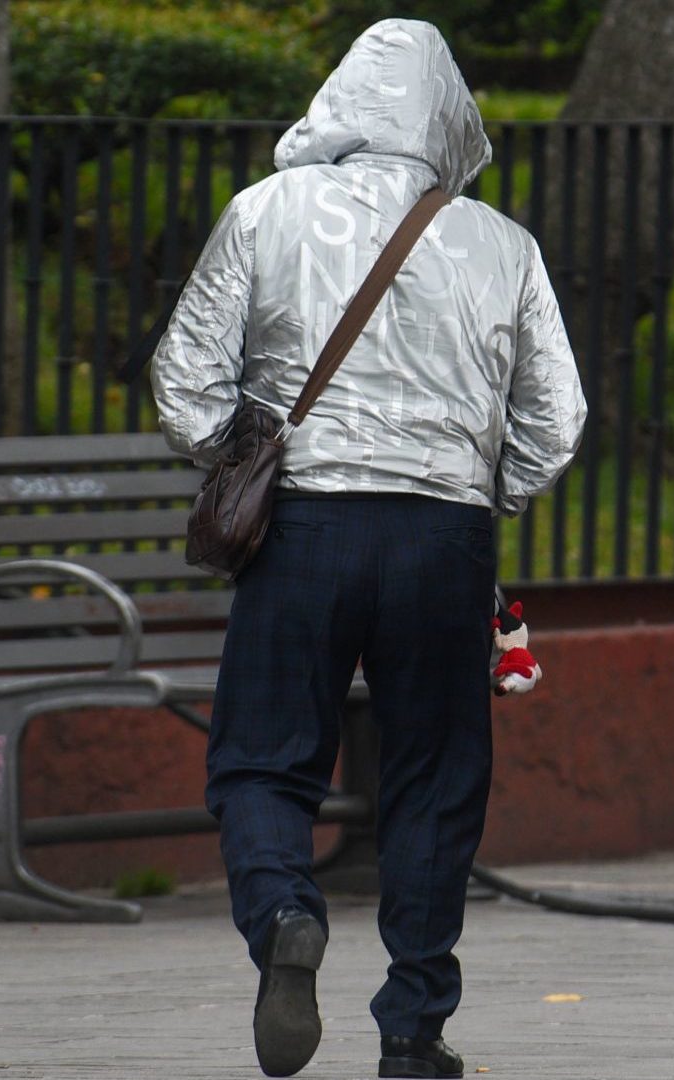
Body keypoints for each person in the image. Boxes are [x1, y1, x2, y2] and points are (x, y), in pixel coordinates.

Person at [151, 20, 584, 1080]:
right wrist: (487, 495)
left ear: (338, 103)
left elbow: (183, 386)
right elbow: (556, 419)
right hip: (445, 540)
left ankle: (286, 917)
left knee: (261, 755)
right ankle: (414, 1028)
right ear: (449, 122)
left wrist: (243, 461)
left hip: (303, 525)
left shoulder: (263, 213)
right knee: (436, 776)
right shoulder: (501, 243)